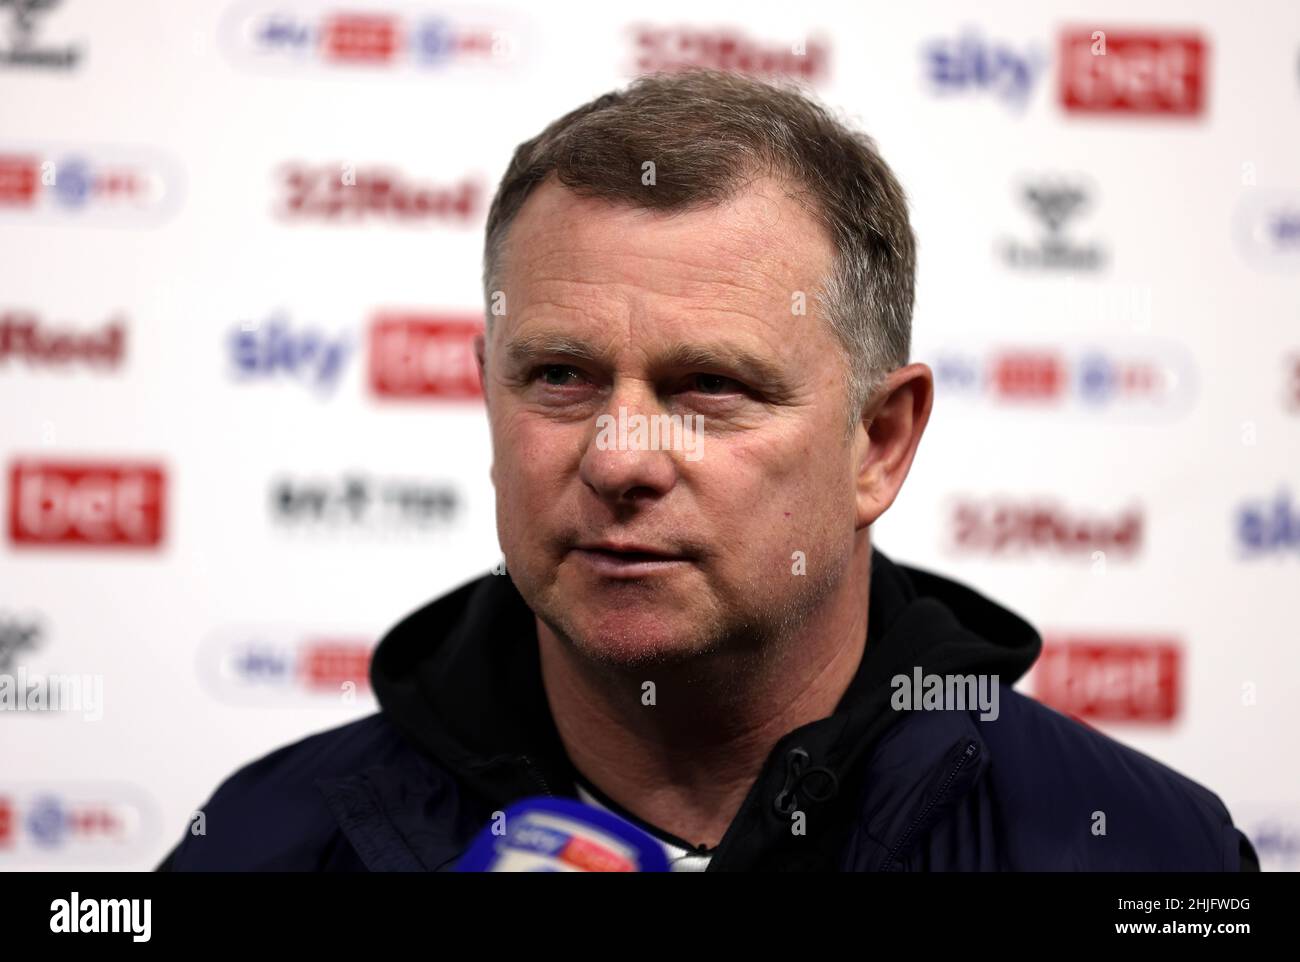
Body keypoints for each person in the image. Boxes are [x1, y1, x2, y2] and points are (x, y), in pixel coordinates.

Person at [158, 69, 1257, 872]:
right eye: (559, 375)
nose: (622, 458)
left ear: (878, 442)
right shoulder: (267, 845)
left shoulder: (1148, 856)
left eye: (710, 389)